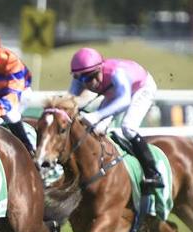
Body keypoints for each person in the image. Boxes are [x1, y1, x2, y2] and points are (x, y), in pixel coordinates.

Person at [69, 47, 163, 192]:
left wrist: (96, 115)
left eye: (90, 77)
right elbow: (69, 101)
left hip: (140, 88)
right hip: (115, 92)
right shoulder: (82, 76)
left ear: (100, 69)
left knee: (128, 128)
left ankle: (153, 173)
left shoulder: (116, 74)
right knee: (97, 130)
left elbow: (124, 100)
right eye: (80, 79)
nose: (87, 83)